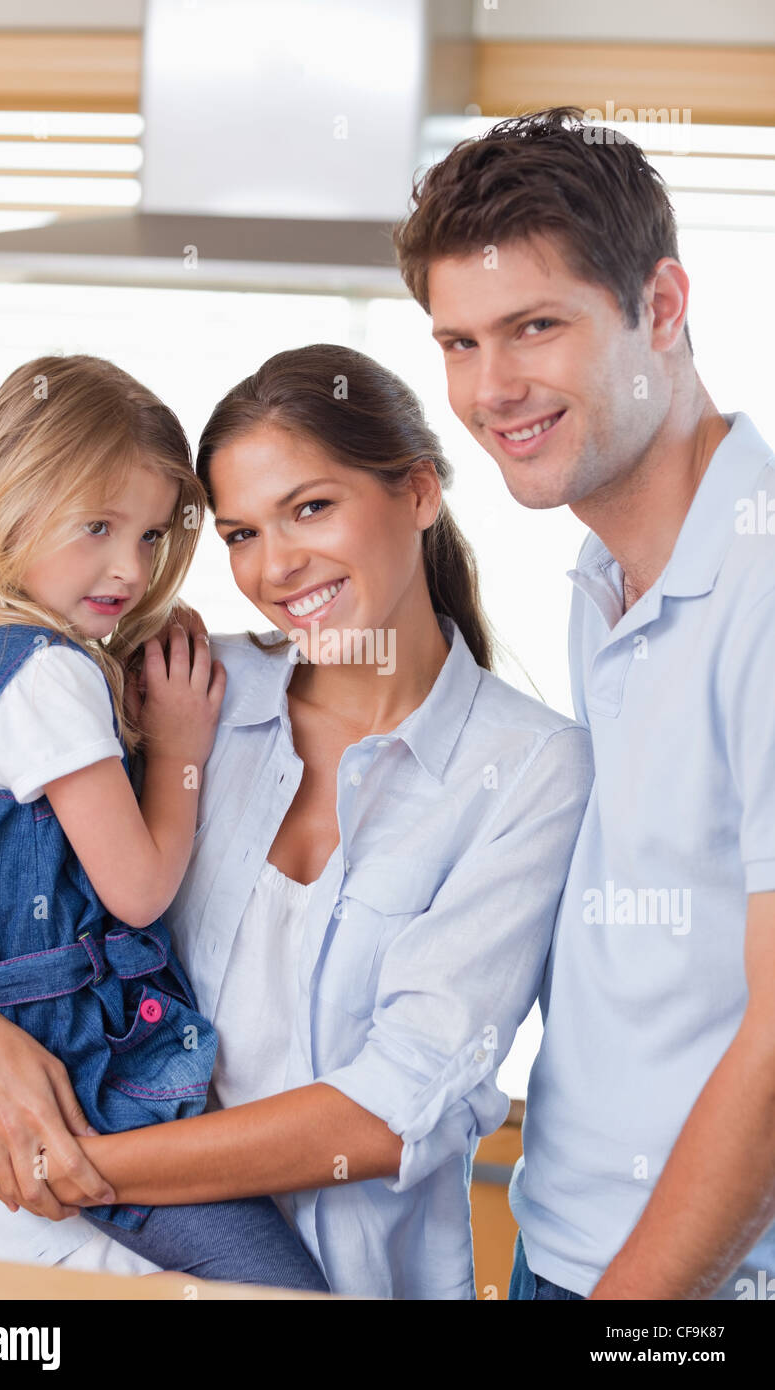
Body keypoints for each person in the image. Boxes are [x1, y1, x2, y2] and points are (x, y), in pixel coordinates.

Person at [0, 343, 593, 1299]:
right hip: (33, 1260)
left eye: (311, 507)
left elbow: (391, 1109)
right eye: (237, 534)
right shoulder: (181, 684)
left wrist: (78, 1165)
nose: (275, 567)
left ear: (420, 493)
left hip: (315, 1273)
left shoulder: (528, 769)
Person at [391, 105, 775, 1300]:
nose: (489, 388)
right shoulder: (603, 569)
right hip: (566, 1248)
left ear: (660, 308)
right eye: (456, 341)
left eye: (533, 328)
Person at [0, 352, 329, 1292]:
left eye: (148, 536)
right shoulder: (48, 672)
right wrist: (181, 740)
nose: (128, 568)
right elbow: (137, 888)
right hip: (99, 1083)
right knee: (283, 1291)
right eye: (97, 526)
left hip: (20, 1078)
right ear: (8, 501)